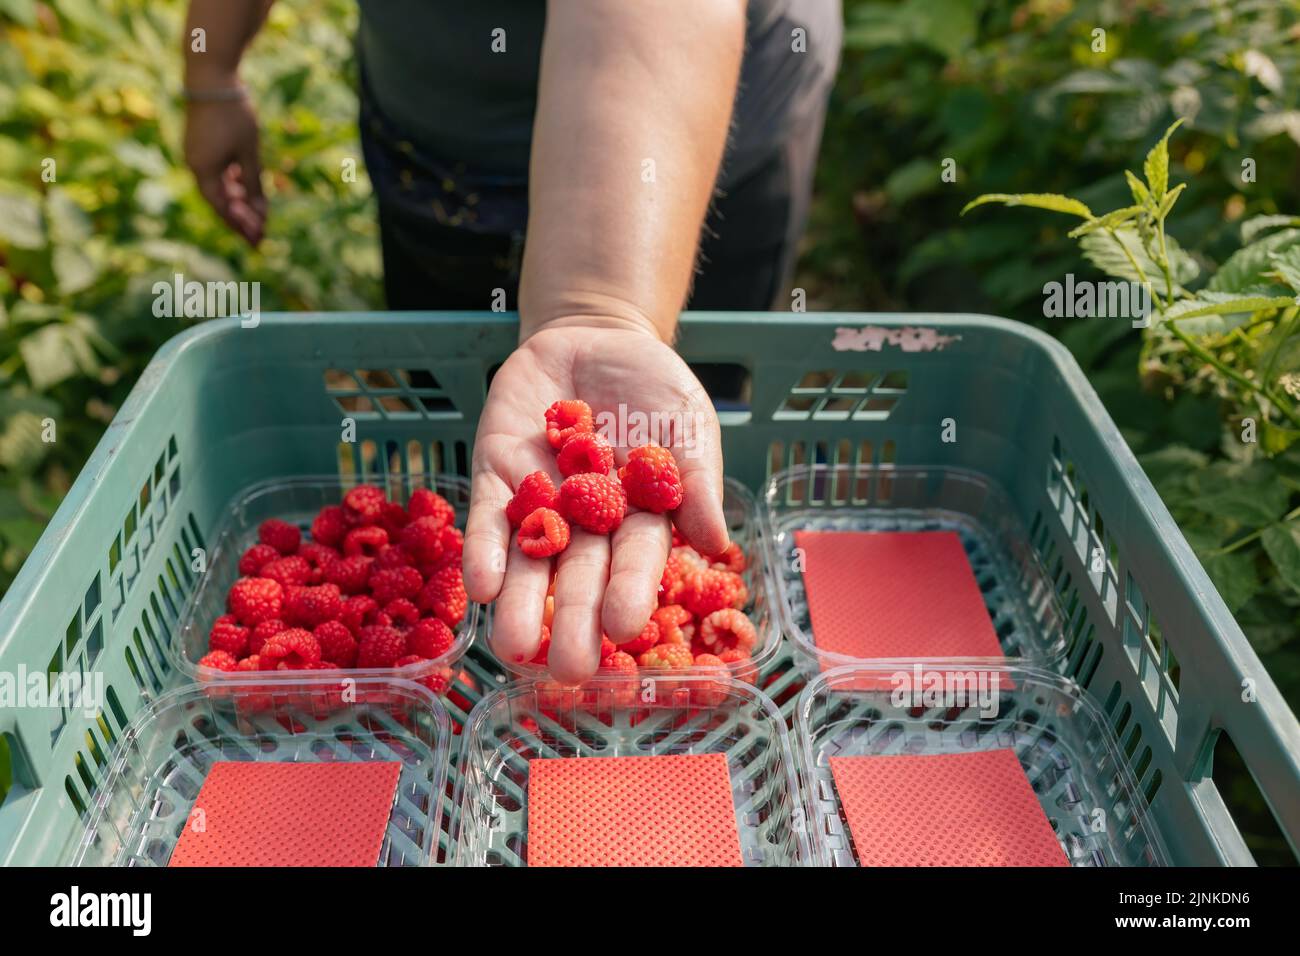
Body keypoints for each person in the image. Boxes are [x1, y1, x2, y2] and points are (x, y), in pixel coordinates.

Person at [182, 0, 841, 682]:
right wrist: (213, 71)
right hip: (437, 146)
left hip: (675, 125)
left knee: (696, 405)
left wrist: (600, 307)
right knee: (465, 420)